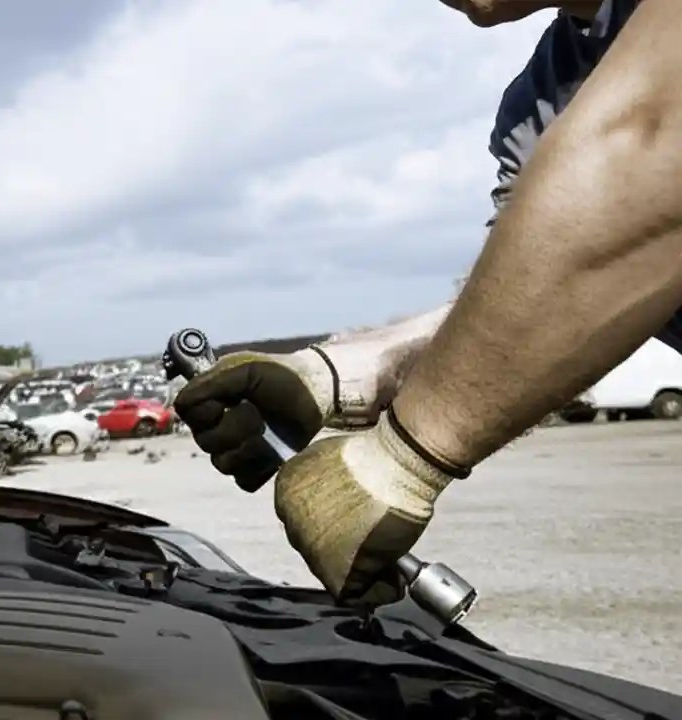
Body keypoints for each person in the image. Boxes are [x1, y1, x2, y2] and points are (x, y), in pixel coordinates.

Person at [173, 0, 673, 606]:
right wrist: (334, 376)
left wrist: (401, 462)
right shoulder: (538, 101)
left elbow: (651, 146)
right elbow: (547, 293)